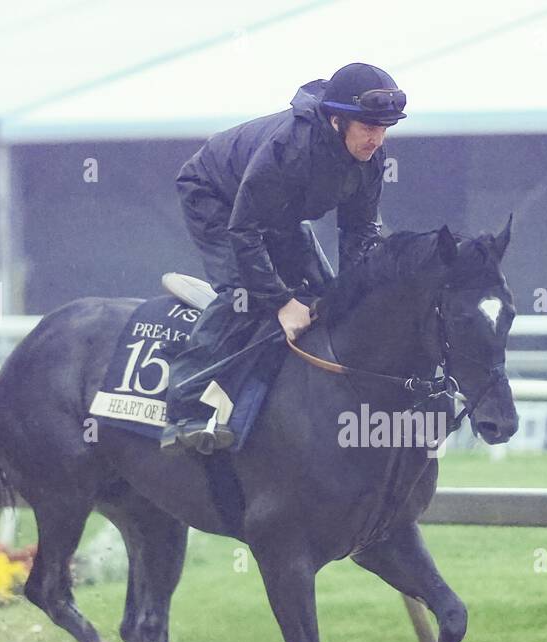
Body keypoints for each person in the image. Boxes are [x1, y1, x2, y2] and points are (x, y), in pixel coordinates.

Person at [161, 62, 406, 454]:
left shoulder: (371, 156)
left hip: (278, 215)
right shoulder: (288, 148)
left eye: (384, 128)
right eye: (368, 128)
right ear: (336, 120)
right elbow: (243, 231)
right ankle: (185, 409)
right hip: (215, 196)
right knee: (244, 295)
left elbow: (360, 232)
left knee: (327, 295)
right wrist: (280, 301)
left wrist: (354, 292)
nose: (377, 140)